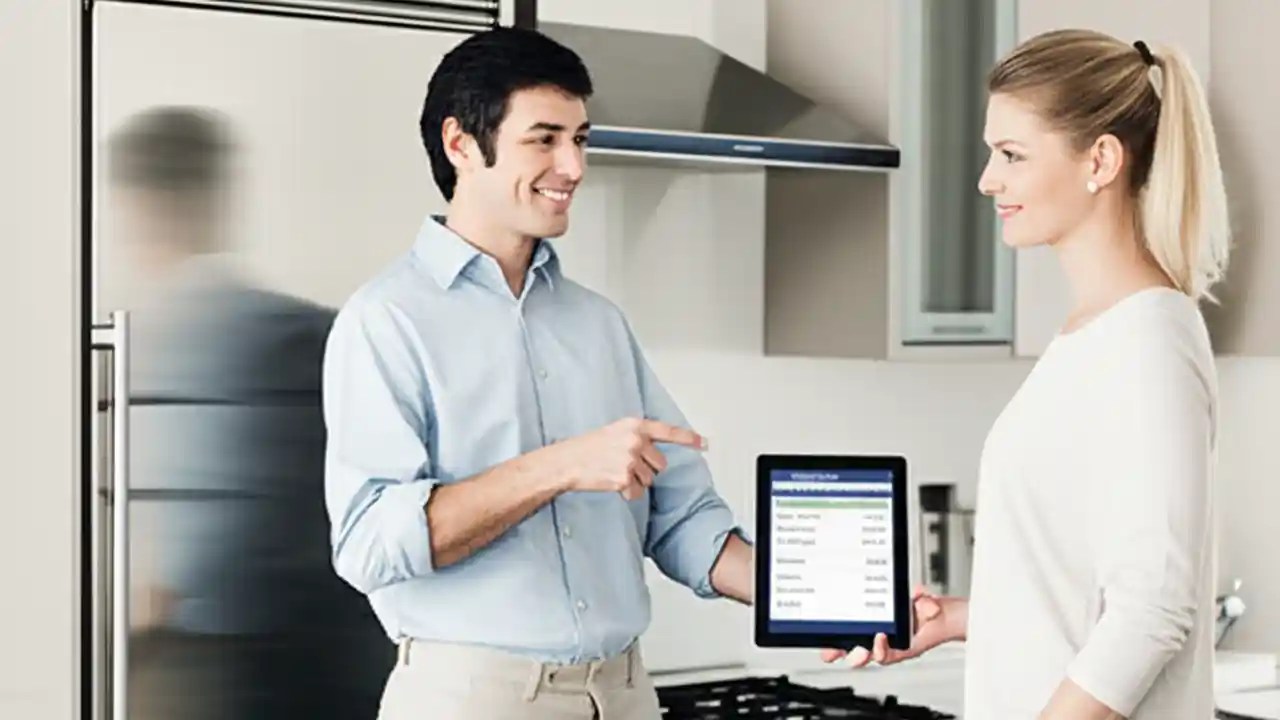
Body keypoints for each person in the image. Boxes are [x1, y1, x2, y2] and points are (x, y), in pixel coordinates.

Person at [321, 27, 754, 720]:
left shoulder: (597, 323)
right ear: (461, 144)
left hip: (624, 695)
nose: (574, 166)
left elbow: (683, 523)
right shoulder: (387, 321)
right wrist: (560, 466)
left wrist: (819, 603)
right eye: (544, 139)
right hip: (474, 699)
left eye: (580, 139)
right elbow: (370, 543)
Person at [825, 29, 1230, 720]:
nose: (988, 179)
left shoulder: (1149, 343)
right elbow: (1080, 598)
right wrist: (961, 618)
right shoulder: (1091, 334)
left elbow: (1152, 612)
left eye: (1011, 154)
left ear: (1100, 159)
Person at [110, 106, 390, 719]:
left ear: (140, 205)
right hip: (343, 667)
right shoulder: (305, 328)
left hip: (241, 674)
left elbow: (184, 567)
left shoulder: (172, 336)